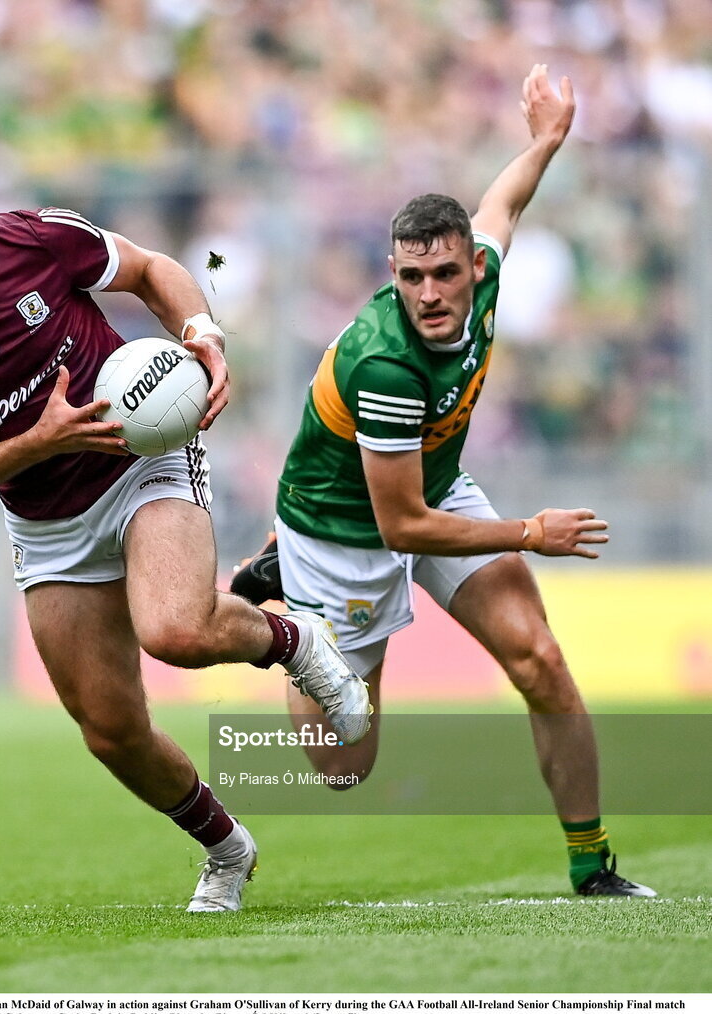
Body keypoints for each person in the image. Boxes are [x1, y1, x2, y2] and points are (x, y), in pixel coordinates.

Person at [0, 150, 372, 913]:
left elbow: (154, 270)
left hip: (138, 458)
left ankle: (299, 646)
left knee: (176, 630)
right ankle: (227, 851)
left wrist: (201, 333)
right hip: (45, 516)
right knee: (110, 731)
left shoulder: (32, 238)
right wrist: (39, 443)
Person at [230, 66, 654, 898]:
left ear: (471, 267)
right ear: (392, 273)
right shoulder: (386, 363)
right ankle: (295, 621)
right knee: (345, 765)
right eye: (409, 278)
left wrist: (545, 140)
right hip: (350, 524)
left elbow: (501, 205)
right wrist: (529, 533)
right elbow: (403, 528)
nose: (429, 294)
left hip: (431, 487)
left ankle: (590, 863)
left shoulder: (485, 268)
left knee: (537, 656)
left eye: (444, 275)